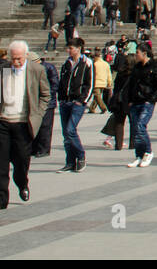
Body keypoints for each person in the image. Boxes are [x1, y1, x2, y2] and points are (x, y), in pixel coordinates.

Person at [0, 40, 52, 212]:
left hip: (23, 123)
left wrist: (38, 114)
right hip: (3, 122)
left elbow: (46, 95)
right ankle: (0, 198)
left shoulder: (37, 70)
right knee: (0, 162)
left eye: (19, 59)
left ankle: (22, 183)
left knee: (21, 160)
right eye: (13, 58)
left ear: (26, 56)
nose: (16, 62)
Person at [56, 37, 93, 173]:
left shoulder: (87, 62)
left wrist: (83, 100)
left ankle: (81, 155)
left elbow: (90, 83)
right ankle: (70, 162)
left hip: (77, 102)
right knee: (66, 133)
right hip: (65, 101)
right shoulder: (67, 63)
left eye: (71, 48)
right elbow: (62, 82)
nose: (68, 50)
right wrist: (60, 98)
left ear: (78, 49)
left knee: (70, 130)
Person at [124, 43, 157, 168]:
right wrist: (130, 99)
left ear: (144, 54)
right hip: (135, 101)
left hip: (146, 101)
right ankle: (139, 155)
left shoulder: (154, 66)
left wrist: (151, 99)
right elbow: (131, 84)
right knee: (135, 129)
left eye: (137, 53)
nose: (136, 55)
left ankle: (148, 152)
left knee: (141, 126)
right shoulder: (137, 67)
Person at [102, 46, 132, 150]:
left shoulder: (120, 73)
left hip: (119, 100)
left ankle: (118, 145)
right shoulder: (134, 74)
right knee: (133, 122)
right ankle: (132, 144)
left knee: (119, 122)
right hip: (131, 101)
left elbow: (116, 87)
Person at [30, 55, 60, 157]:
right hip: (35, 102)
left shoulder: (49, 67)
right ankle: (35, 148)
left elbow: (55, 84)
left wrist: (44, 95)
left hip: (48, 102)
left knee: (45, 126)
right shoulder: (33, 69)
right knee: (35, 125)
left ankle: (44, 149)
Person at [89, 48, 112, 114]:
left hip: (96, 82)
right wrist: (109, 82)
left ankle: (103, 107)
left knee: (97, 96)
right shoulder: (106, 64)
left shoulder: (94, 64)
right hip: (103, 82)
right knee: (97, 96)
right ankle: (92, 108)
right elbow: (109, 74)